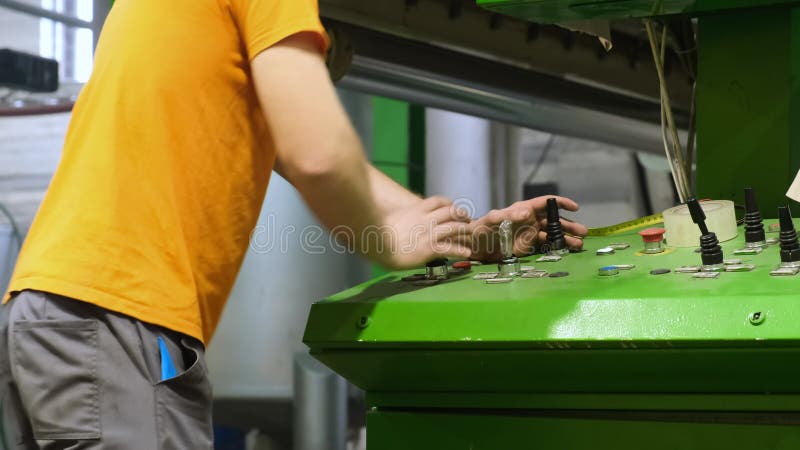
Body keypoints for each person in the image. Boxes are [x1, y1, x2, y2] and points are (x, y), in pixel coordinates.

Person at [0, 0, 587, 448]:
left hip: (49, 311)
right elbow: (320, 156)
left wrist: (480, 238)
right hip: (117, 315)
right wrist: (387, 241)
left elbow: (330, 165)